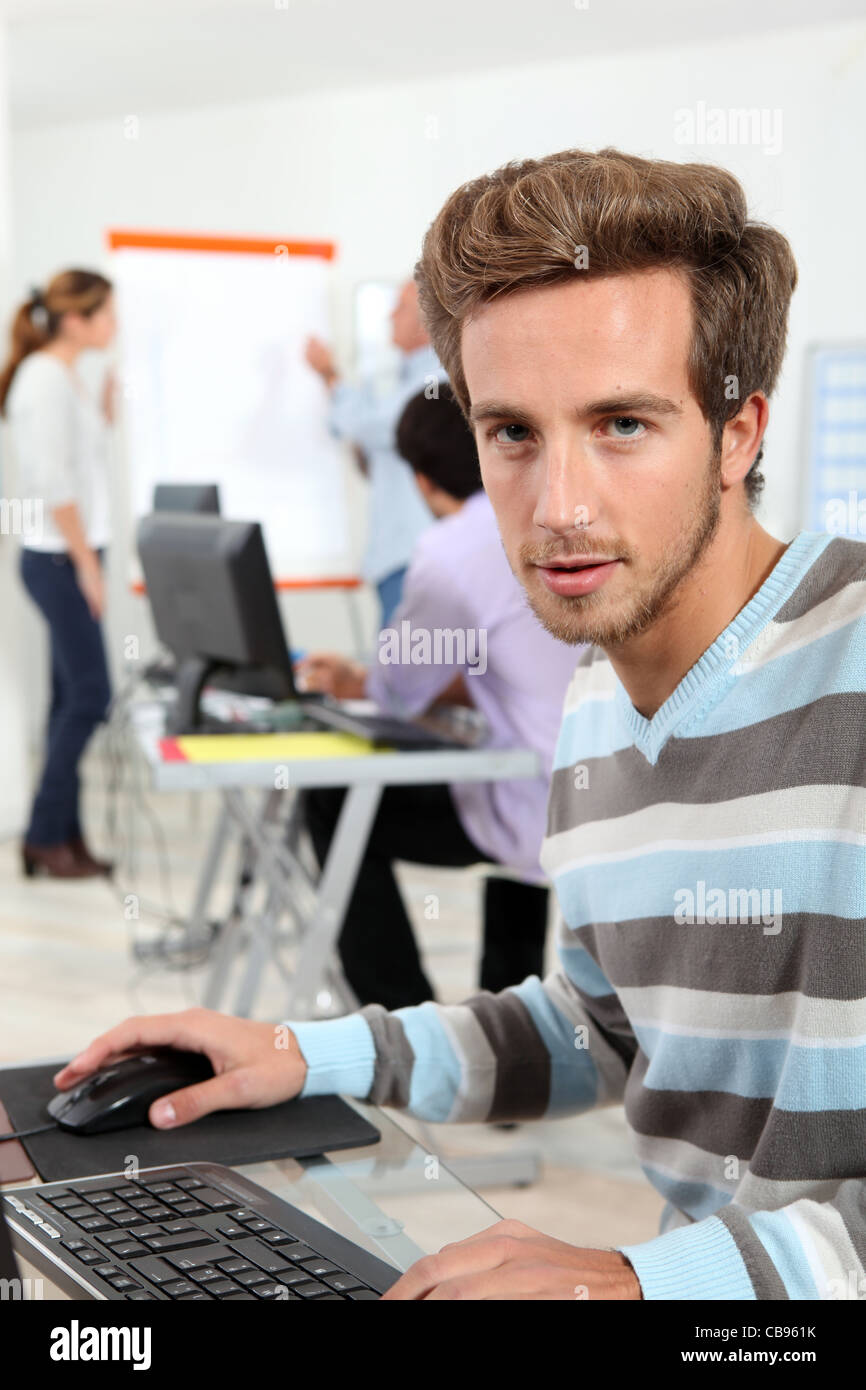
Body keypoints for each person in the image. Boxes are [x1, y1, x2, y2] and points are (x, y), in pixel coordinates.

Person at [54, 148, 866, 1302]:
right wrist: (303, 1053)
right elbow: (599, 1030)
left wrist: (637, 1281)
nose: (559, 508)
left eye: (622, 424)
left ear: (737, 434)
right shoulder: (596, 698)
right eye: (513, 434)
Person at [296, 383, 579, 1009]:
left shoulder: (450, 551)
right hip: (598, 784)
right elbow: (523, 664)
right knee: (520, 767)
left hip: (531, 801)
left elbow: (399, 690)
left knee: (333, 802)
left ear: (422, 480)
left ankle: (398, 1014)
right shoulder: (561, 513)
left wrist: (354, 679)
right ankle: (514, 1038)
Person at [0, 270, 116, 879]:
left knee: (68, 699)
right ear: (76, 319)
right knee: (92, 696)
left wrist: (104, 414)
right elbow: (52, 484)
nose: (113, 325)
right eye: (106, 314)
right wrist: (87, 566)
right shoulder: (44, 378)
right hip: (58, 558)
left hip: (68, 554)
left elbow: (76, 464)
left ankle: (64, 838)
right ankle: (45, 834)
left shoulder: (64, 375)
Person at [304, 280, 443, 625]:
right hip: (396, 559)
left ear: (428, 321)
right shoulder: (403, 380)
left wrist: (329, 376)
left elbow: (379, 426)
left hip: (414, 559)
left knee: (407, 671)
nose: (390, 316)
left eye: (401, 307)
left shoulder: (435, 379)